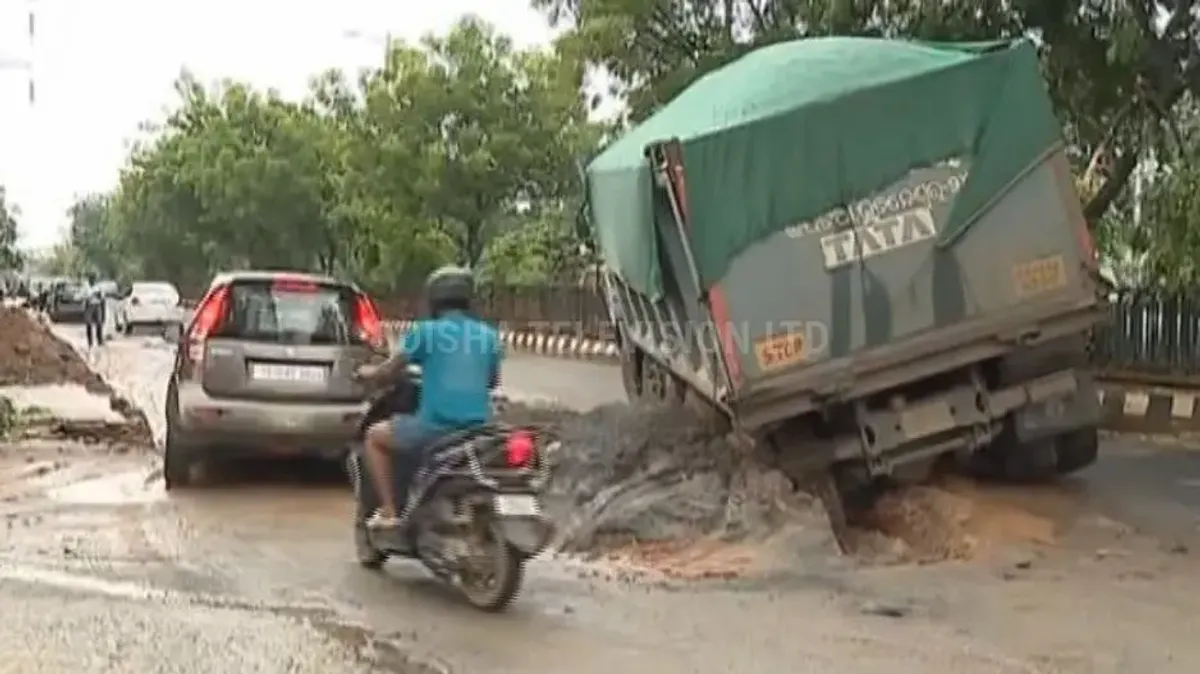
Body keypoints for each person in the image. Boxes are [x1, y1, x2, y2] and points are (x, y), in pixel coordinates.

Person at [354, 266, 503, 529]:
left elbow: (389, 371)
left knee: (374, 437)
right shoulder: (489, 336)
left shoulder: (426, 332)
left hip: (436, 428)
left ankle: (389, 511)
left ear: (433, 299)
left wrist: (367, 373)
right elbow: (492, 382)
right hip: (479, 431)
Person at [82, 274, 106, 349]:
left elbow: (102, 296)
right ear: (89, 280)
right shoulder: (85, 286)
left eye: (94, 279)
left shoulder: (98, 286)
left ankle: (100, 340)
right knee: (88, 323)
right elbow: (83, 296)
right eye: (91, 279)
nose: (93, 281)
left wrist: (99, 295)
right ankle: (90, 342)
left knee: (99, 323)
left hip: (97, 305)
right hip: (89, 305)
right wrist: (91, 294)